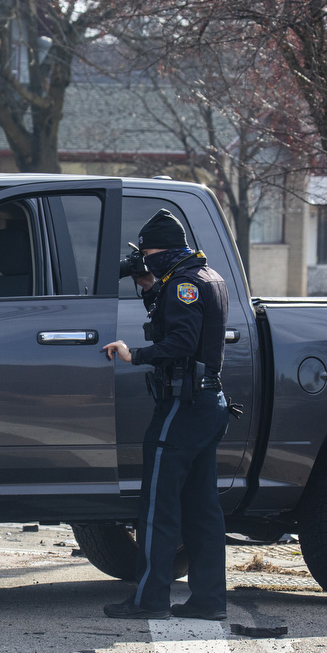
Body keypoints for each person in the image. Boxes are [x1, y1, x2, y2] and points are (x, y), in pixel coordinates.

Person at [101, 209, 230, 620]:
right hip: (208, 404)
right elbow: (181, 317)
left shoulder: (184, 285)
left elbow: (180, 341)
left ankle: (150, 599)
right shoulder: (204, 277)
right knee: (202, 507)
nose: (145, 257)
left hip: (183, 405)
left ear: (164, 250)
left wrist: (133, 354)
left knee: (158, 505)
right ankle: (209, 600)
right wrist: (148, 286)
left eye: (148, 252)